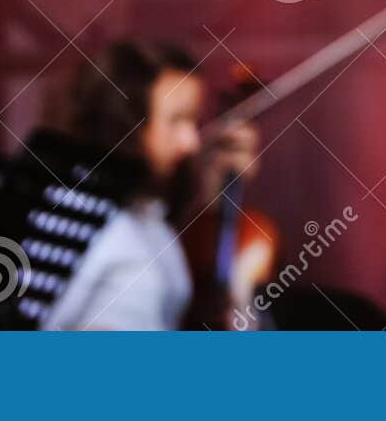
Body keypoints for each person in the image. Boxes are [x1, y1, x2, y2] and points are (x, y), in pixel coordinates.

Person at [41, 40, 260, 331]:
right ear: (125, 121)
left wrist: (215, 201)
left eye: (193, 121)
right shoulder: (77, 220)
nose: (191, 142)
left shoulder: (146, 213)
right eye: (176, 120)